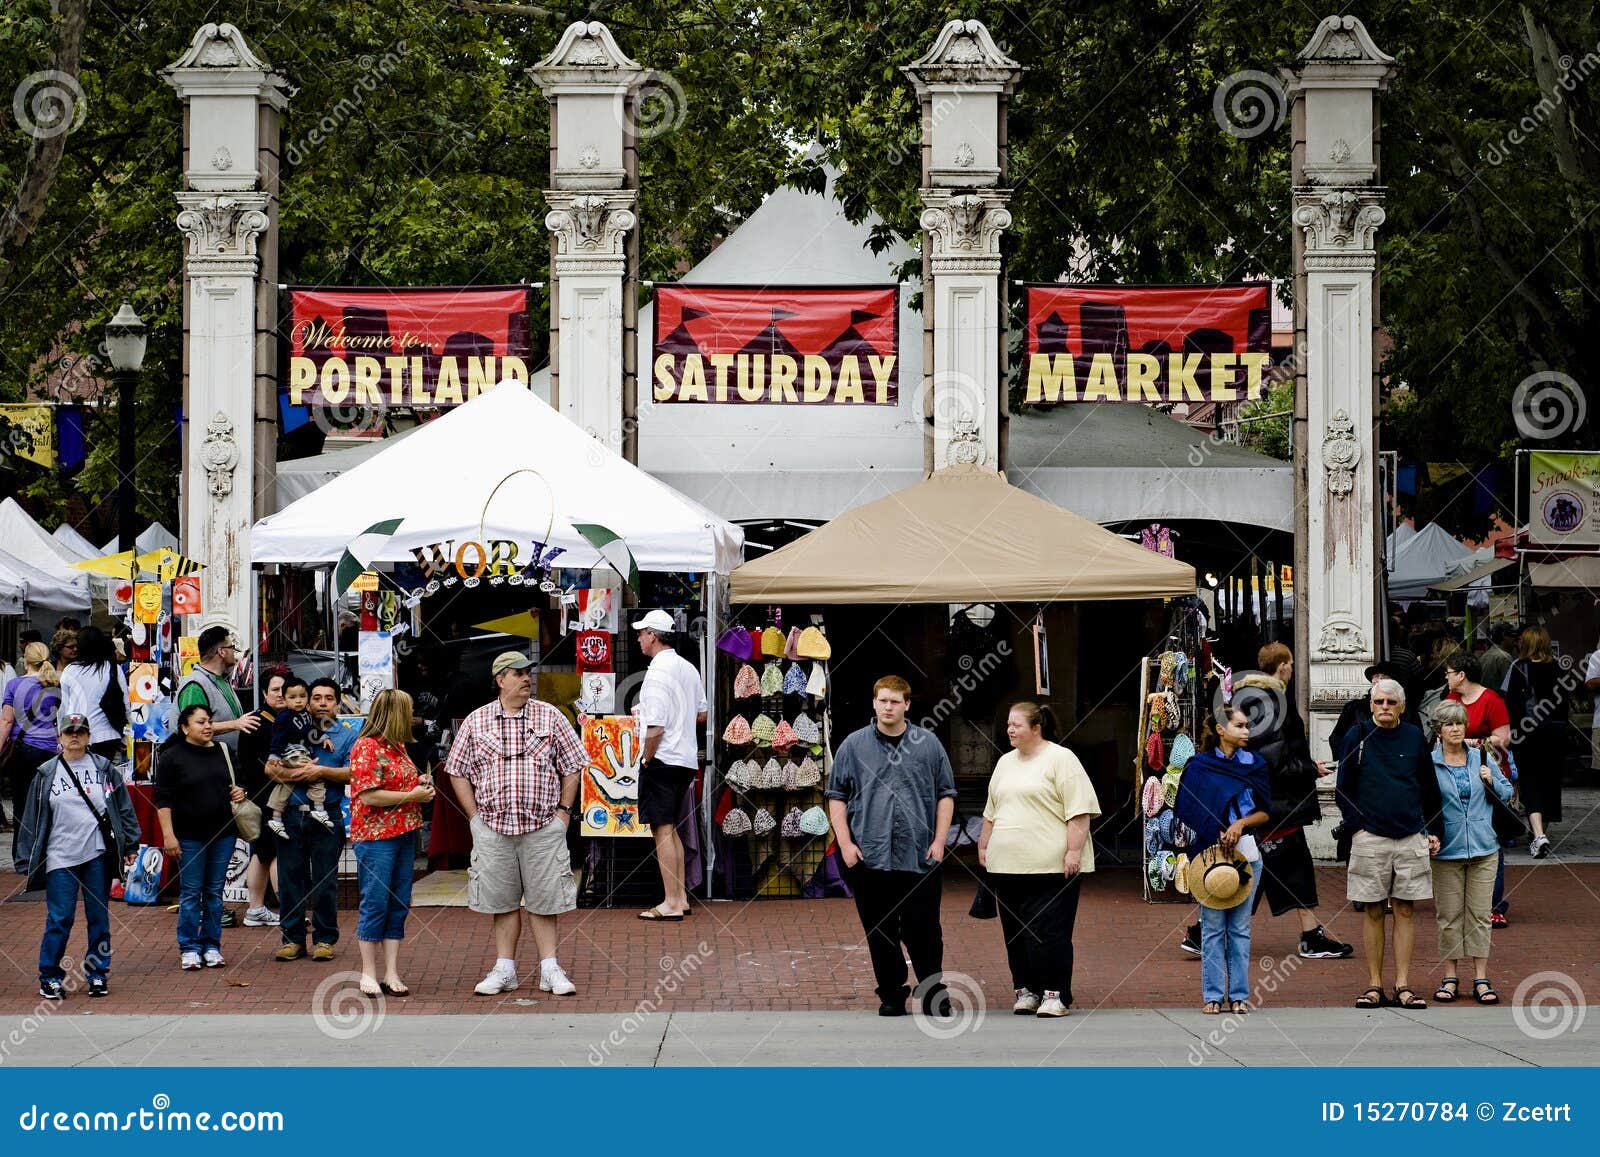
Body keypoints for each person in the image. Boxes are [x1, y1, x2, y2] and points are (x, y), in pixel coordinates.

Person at [1185, 645, 1350, 960]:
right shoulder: (1274, 701)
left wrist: (1302, 764)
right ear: (1285, 666)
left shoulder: (1250, 698)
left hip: (1266, 802)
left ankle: (1206, 931)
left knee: (1280, 866)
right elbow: (1273, 760)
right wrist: (1307, 768)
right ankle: (1206, 931)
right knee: (1269, 866)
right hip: (1274, 803)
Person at [445, 652, 586, 997]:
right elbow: (456, 770)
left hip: (543, 826)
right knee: (502, 901)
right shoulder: (476, 721)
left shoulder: (550, 716)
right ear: (500, 679)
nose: (527, 679)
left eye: (528, 673)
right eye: (518, 674)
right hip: (493, 827)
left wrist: (564, 812)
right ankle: (504, 968)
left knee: (546, 899)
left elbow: (573, 764)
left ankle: (549, 969)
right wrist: (474, 817)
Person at [826, 675, 956, 1017]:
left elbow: (946, 794)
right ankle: (891, 994)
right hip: (869, 855)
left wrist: (940, 841)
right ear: (873, 702)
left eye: (895, 701)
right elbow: (836, 796)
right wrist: (845, 844)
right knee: (880, 930)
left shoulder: (928, 744)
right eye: (882, 700)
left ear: (907, 705)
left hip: (920, 854)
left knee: (925, 930)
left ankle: (932, 993)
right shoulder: (853, 746)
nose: (888, 706)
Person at [978, 701, 1099, 1018]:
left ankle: (1054, 995)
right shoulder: (1005, 762)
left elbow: (1079, 811)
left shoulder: (1061, 759)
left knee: (1049, 932)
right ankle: (1026, 991)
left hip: (1052, 867)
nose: (1010, 730)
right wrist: (984, 845)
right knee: (1015, 933)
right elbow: (991, 811)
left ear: (1036, 727)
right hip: (1007, 866)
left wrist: (1073, 850)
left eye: (1016, 724)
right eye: (1008, 724)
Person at [13, 712, 140, 999]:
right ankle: (49, 975)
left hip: (96, 853)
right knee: (60, 917)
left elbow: (123, 809)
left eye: (80, 732)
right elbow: (31, 817)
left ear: (88, 736)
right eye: (69, 732)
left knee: (98, 916)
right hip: (59, 855)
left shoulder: (104, 768)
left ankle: (97, 973)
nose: (74, 736)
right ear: (59, 737)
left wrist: (130, 845)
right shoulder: (46, 773)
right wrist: (25, 857)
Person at [1336, 677, 1443, 1009]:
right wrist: (1357, 830)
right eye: (1379, 702)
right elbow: (1344, 789)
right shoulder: (1356, 735)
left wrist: (1433, 830)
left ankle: (1403, 985)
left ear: (1402, 706)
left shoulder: (1413, 737)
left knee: (1405, 909)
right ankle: (1373, 985)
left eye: (1391, 702)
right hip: (1370, 836)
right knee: (1372, 910)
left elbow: (1428, 787)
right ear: (1370, 705)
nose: (1384, 707)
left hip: (1411, 834)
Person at [1174, 704, 1272, 1014]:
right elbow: (1186, 809)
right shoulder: (1200, 766)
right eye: (1240, 725)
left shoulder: (1254, 763)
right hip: (1210, 854)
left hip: (1247, 854)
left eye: (1247, 726)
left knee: (1240, 929)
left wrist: (1240, 824)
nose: (1247, 731)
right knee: (1213, 928)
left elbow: (1267, 811)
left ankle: (1240, 995)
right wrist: (1215, 828)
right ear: (1220, 729)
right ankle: (1213, 996)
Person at [349, 689, 433, 998]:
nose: (412, 717)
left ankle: (391, 971)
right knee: (375, 901)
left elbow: (396, 784)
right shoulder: (366, 747)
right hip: (375, 837)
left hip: (403, 833)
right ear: (395, 713)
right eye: (408, 711)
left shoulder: (398, 746)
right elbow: (370, 795)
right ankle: (368, 972)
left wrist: (419, 784)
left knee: (398, 902)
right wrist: (413, 795)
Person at [1429, 700, 1511, 1006]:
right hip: (1446, 850)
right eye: (1449, 724)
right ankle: (1450, 976)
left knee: (1479, 916)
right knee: (1449, 916)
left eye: (1460, 723)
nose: (1455, 729)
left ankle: (1480, 977)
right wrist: (1428, 835)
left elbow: (1507, 791)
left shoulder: (1480, 755)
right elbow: (1422, 803)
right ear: (1438, 730)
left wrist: (1492, 780)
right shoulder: (1429, 762)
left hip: (1484, 846)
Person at [154, 704, 248, 971]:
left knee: (214, 892)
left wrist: (241, 791)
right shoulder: (172, 757)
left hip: (223, 833)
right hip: (188, 835)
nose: (207, 727)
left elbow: (240, 783)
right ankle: (189, 947)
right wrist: (169, 836)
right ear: (185, 727)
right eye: (200, 722)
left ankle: (211, 945)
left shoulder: (224, 751)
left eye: (209, 721)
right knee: (191, 892)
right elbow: (163, 800)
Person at [267, 677, 354, 962]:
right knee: (290, 880)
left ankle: (325, 939)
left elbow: (354, 772)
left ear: (338, 703)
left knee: (324, 881)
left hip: (326, 815)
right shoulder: (291, 726)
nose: (321, 704)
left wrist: (320, 773)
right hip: (290, 815)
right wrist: (293, 775)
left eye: (328, 698)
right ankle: (292, 939)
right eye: (316, 698)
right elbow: (269, 769)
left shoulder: (347, 734)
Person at [632, 609, 707, 921]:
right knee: (670, 827)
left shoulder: (657, 671)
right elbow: (701, 713)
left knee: (661, 829)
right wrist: (680, 719)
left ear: (653, 635)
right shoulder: (687, 668)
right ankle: (680, 898)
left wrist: (647, 758)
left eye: (641, 633)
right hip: (685, 758)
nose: (638, 638)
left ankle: (672, 902)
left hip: (663, 758)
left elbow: (656, 727)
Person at [1444, 652, 1513, 926]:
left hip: (1487, 773)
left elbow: (1503, 737)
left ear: (1461, 675)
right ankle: (1463, 901)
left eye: (1449, 672)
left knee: (1491, 837)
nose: (1446, 677)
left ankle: (1494, 904)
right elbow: (1441, 729)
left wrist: (1473, 741)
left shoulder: (1491, 700)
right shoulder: (1451, 700)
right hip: (1456, 773)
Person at [1503, 626, 1570, 860]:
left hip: (1527, 733)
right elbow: (1565, 704)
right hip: (1555, 733)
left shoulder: (1519, 667)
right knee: (1550, 782)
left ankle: (1538, 833)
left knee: (1530, 782)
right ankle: (1540, 833)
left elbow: (1511, 704)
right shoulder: (1560, 668)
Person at [2, 642, 65, 857]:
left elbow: (7, 721)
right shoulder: (54, 684)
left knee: (21, 803)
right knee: (46, 802)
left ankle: (23, 854)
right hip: (49, 749)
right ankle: (45, 852)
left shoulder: (14, 685)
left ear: (25, 660)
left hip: (23, 750)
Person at [236, 667, 286, 928]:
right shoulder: (256, 722)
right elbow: (247, 763)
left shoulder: (288, 719)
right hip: (264, 797)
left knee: (264, 852)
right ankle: (286, 911)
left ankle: (257, 909)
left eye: (283, 690)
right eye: (275, 690)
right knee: (272, 851)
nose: (280, 694)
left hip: (279, 797)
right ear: (264, 693)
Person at [172, 626, 261, 758]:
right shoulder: (195, 686)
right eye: (232, 647)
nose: (235, 652)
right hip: (202, 768)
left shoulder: (222, 680)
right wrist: (236, 724)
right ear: (222, 652)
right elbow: (192, 729)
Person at [264, 677, 335, 838]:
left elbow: (310, 731)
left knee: (287, 783)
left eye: (302, 696)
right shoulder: (284, 717)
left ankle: (276, 816)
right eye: (292, 697)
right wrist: (273, 756)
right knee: (314, 775)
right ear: (285, 699)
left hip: (301, 752)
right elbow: (277, 737)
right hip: (291, 753)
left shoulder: (306, 715)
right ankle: (319, 808)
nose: (298, 701)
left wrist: (324, 737)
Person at [58, 626, 129, 761]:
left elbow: (63, 708)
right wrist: (127, 737)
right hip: (108, 735)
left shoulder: (69, 671)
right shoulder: (113, 668)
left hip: (77, 734)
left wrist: (61, 735)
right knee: (105, 778)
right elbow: (125, 704)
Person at [1329, 661, 1421, 757]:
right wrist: (1350, 760)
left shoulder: (1408, 710)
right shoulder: (1353, 708)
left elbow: (1417, 742)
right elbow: (1337, 738)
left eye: (1385, 676)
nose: (1379, 679)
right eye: (1376, 676)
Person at [1480, 623, 1517, 692]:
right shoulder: (1504, 657)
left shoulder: (1485, 655)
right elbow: (1509, 687)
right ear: (1504, 636)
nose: (1514, 639)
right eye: (1512, 636)